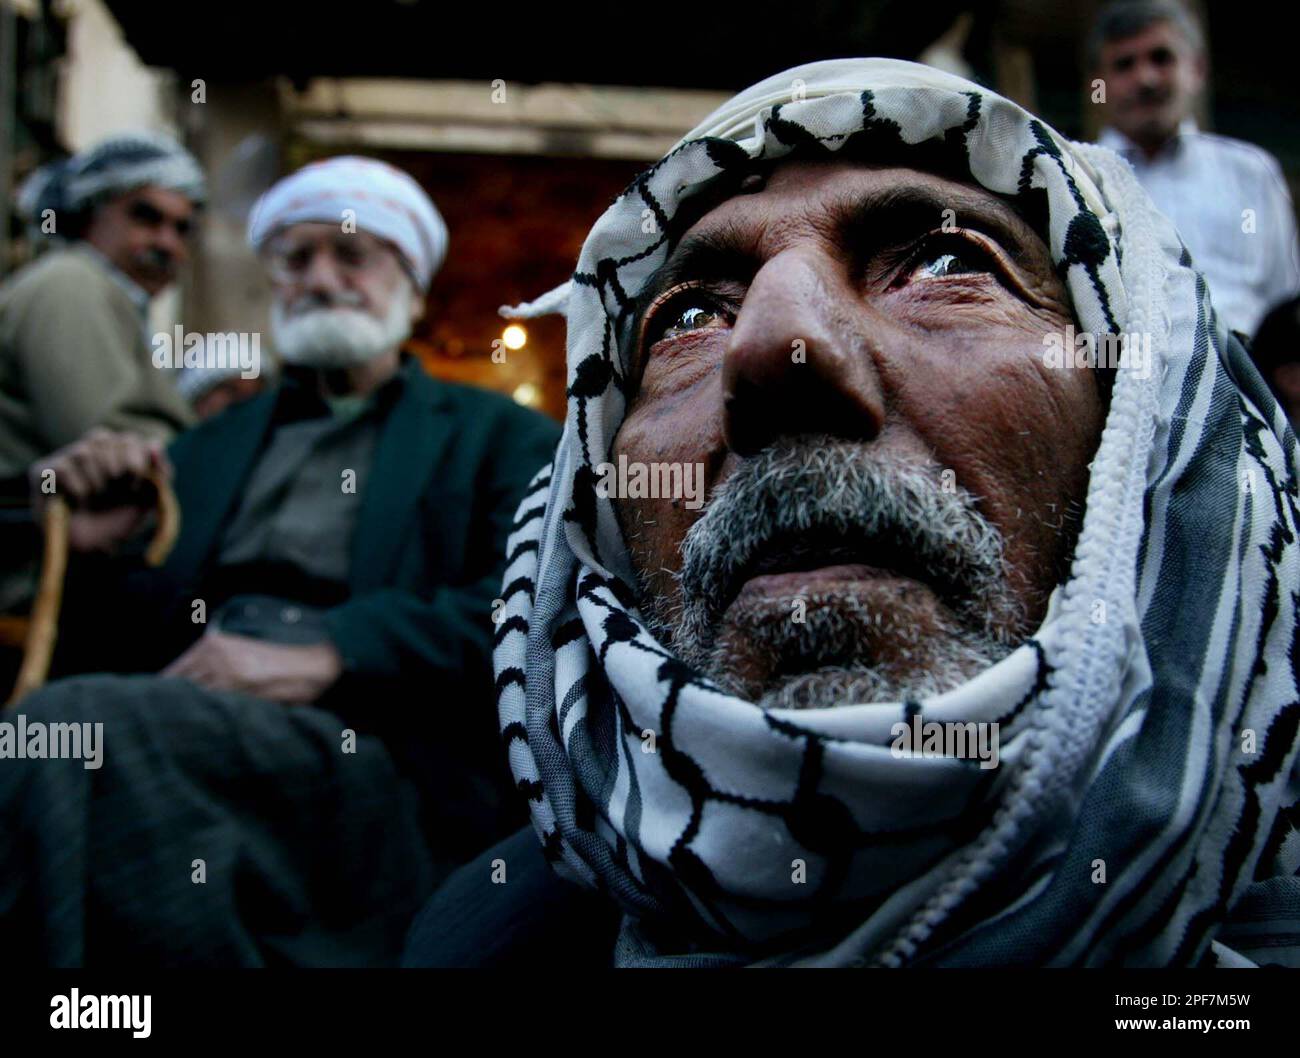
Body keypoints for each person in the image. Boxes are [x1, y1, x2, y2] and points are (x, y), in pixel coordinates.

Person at [406, 58, 1300, 968]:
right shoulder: (483, 941)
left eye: (948, 264)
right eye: (687, 320)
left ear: (1143, 431)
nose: (779, 346)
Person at [0, 155, 559, 966]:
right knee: (52, 748)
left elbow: (540, 603)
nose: (319, 278)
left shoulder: (495, 438)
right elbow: (122, 639)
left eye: (350, 255)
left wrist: (332, 651)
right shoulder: (205, 446)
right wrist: (97, 550)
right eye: (295, 260)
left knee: (75, 737)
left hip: (373, 745)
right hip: (181, 716)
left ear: (411, 284)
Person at [0, 133, 205, 613]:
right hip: (33, 584)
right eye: (146, 217)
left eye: (182, 229)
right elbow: (116, 447)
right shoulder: (70, 286)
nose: (166, 243)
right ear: (91, 214)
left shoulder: (103, 297)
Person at [1090, 0, 1300, 337]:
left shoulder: (1252, 173)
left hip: (1247, 372)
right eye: (1124, 65)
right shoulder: (1076, 176)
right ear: (1097, 87)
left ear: (1198, 69)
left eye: (1161, 57)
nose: (1145, 78)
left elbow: (1285, 305)